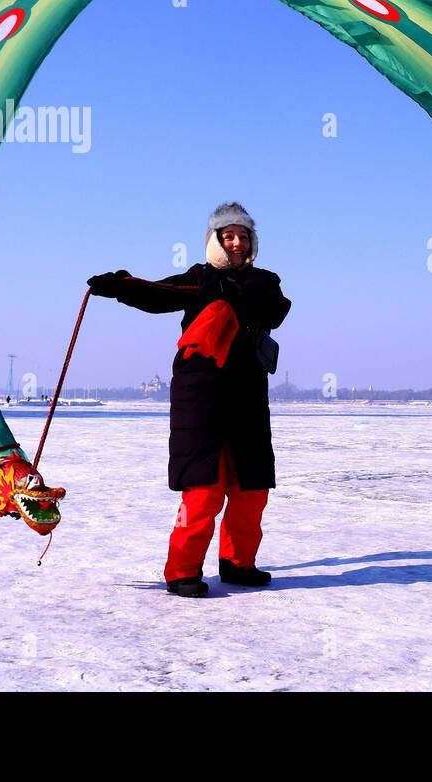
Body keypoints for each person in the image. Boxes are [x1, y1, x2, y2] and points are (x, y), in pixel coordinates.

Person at [87, 202, 292, 598]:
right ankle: (182, 570)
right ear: (215, 241)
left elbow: (274, 309)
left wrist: (226, 299)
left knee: (251, 488)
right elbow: (158, 294)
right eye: (227, 236)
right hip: (201, 396)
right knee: (204, 487)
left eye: (243, 236)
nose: (236, 243)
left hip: (248, 397)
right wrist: (119, 285)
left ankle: (238, 563)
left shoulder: (265, 282)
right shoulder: (199, 279)